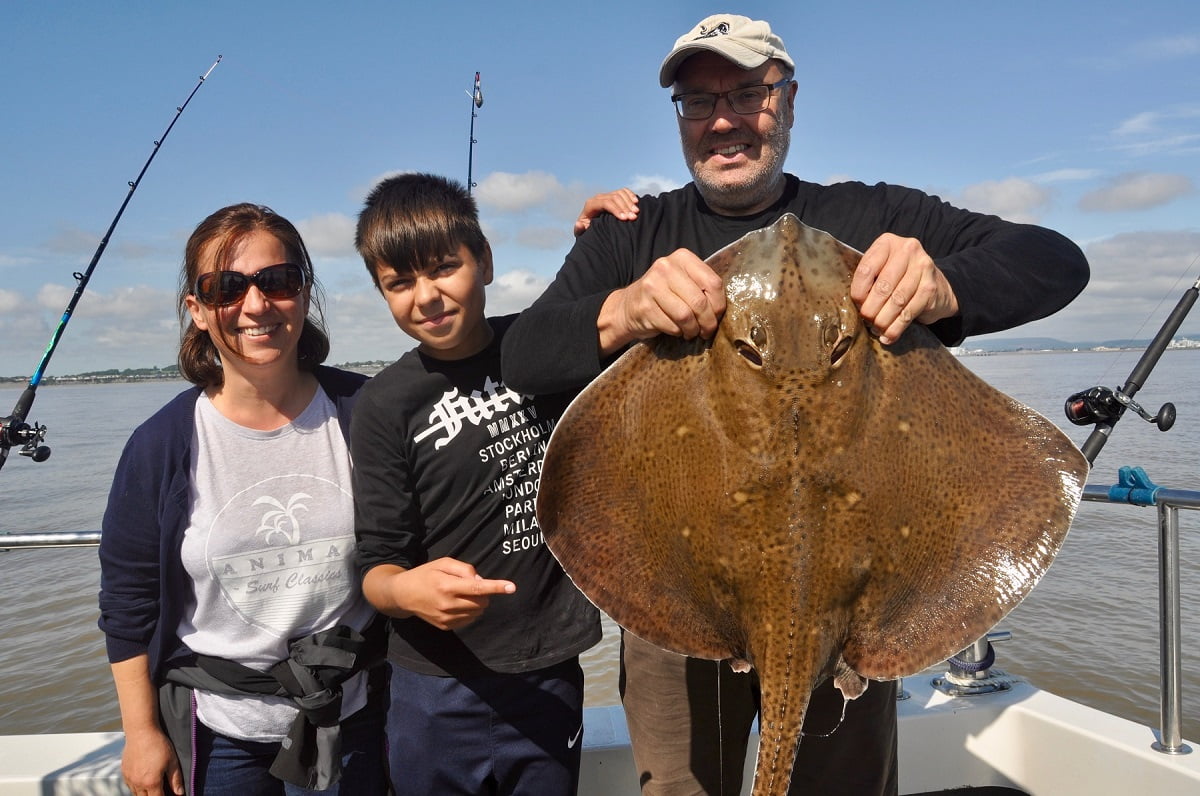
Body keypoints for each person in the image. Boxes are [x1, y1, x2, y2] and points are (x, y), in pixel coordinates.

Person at [500, 13, 1091, 796]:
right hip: (677, 594)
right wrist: (626, 309)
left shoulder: (875, 216)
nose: (723, 118)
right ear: (678, 117)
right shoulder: (632, 235)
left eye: (749, 92)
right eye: (697, 100)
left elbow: (1057, 260)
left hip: (856, 598)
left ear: (789, 99)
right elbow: (522, 356)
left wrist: (947, 285)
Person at [97, 203, 387, 796]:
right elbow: (128, 600)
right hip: (224, 729)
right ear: (198, 311)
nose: (256, 305)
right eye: (227, 288)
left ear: (303, 295)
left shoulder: (367, 412)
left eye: (277, 281)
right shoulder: (160, 445)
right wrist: (141, 731)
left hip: (355, 713)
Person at [350, 173, 603, 795]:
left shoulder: (545, 344)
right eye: (399, 283)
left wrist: (609, 228)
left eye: (443, 268)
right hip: (433, 686)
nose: (427, 297)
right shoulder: (383, 404)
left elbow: (625, 295)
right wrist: (408, 589)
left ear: (484, 260)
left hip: (547, 673)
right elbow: (376, 566)